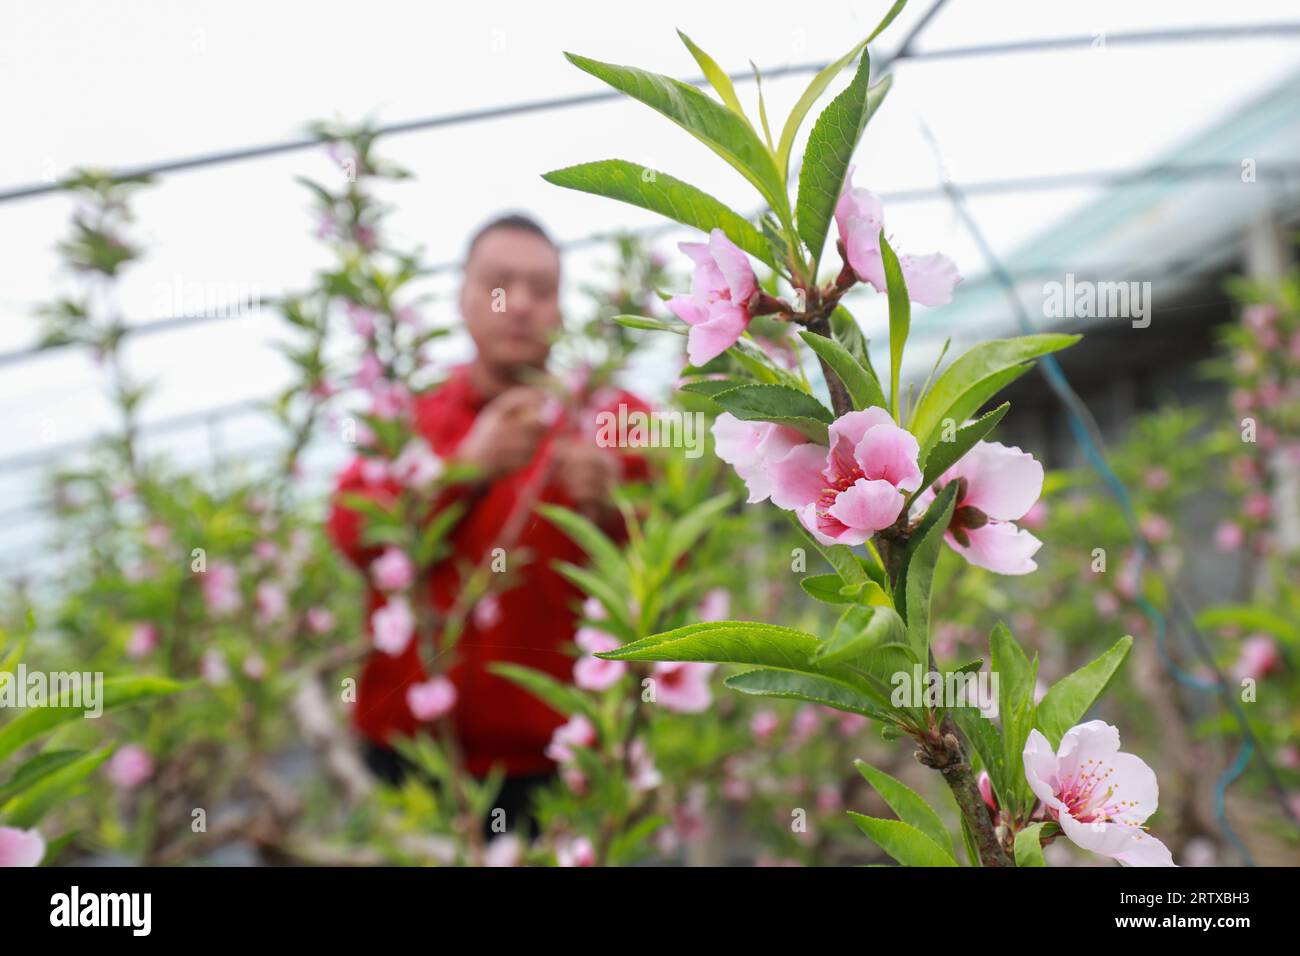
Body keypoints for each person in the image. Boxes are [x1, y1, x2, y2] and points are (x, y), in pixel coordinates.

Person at [326, 213, 648, 831]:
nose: (520, 306)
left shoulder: (617, 419)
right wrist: (459, 471)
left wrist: (615, 507)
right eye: (500, 285)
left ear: (562, 307)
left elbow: (681, 555)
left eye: (543, 290)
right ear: (463, 297)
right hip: (409, 752)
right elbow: (350, 534)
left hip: (560, 759)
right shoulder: (412, 417)